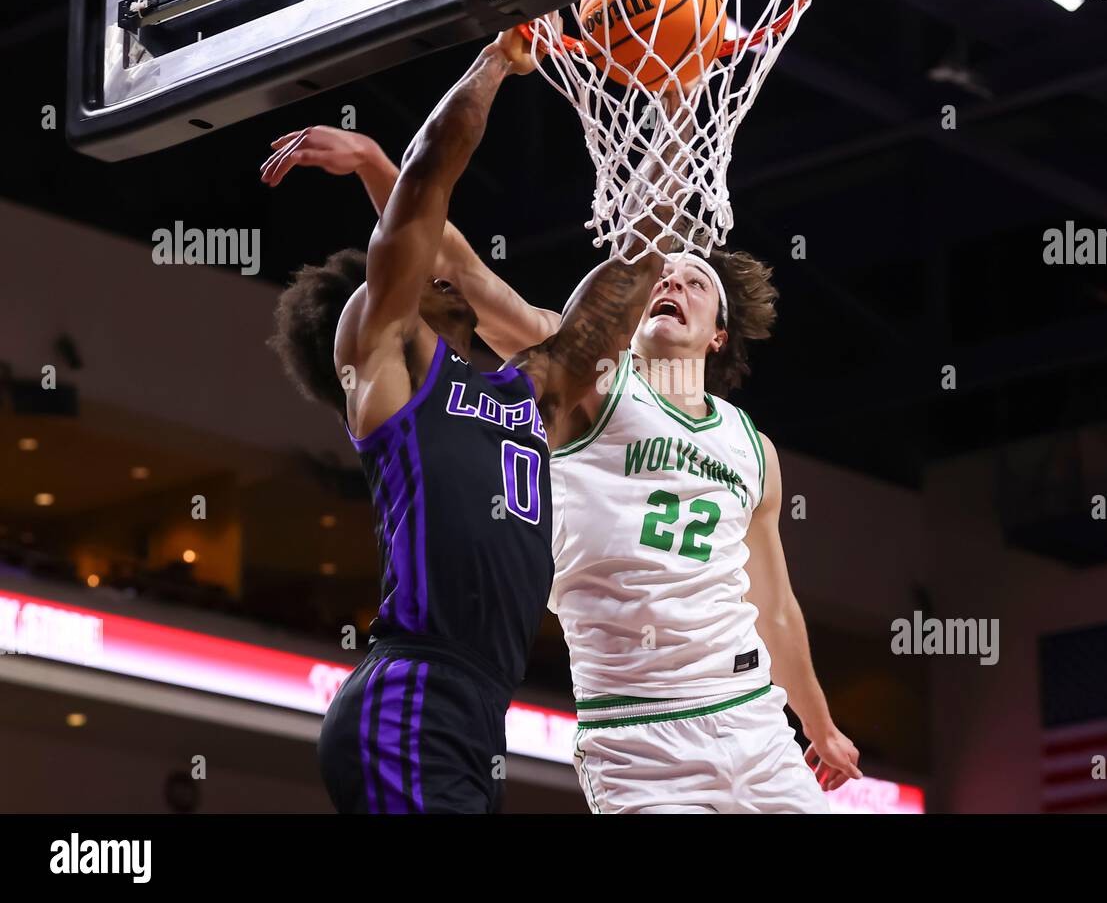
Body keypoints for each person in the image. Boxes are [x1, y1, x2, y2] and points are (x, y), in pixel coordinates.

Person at [266, 73, 861, 816]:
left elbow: (775, 606)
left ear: (719, 335)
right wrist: (383, 165)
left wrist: (818, 722)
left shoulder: (734, 442)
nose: (671, 279)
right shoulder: (581, 381)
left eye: (695, 280)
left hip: (734, 706)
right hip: (625, 722)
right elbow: (442, 250)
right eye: (662, 277)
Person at [266, 29, 673, 812]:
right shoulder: (388, 377)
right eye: (421, 274)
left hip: (478, 705)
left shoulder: (527, 395)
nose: (446, 275)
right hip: (413, 689)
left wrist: (675, 115)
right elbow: (424, 193)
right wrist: (494, 65)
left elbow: (610, 304)